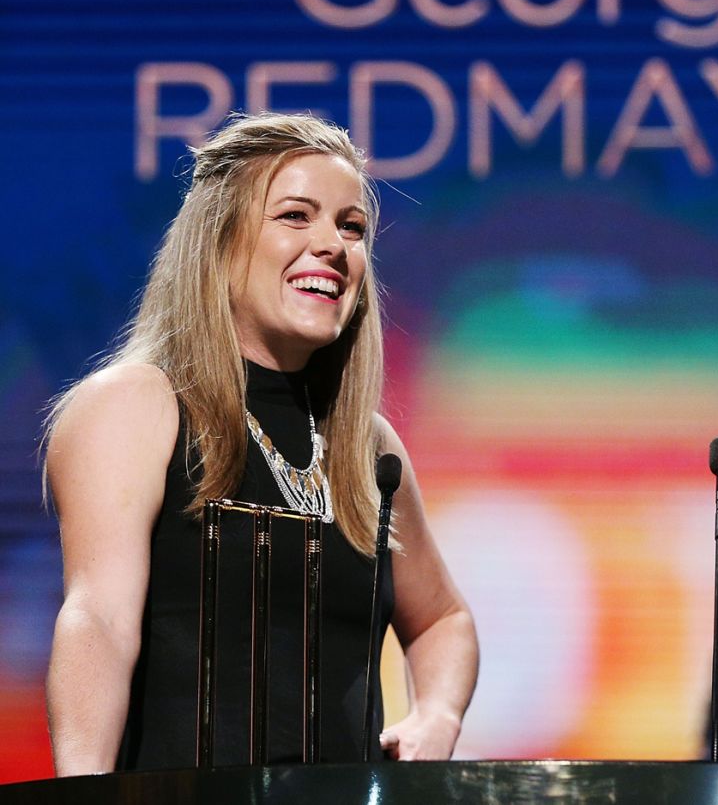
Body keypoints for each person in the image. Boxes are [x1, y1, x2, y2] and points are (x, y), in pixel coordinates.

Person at [44, 112, 479, 774]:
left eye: (352, 226)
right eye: (295, 216)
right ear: (220, 241)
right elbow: (99, 620)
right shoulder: (136, 405)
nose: (333, 244)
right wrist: (83, 791)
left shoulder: (365, 448)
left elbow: (444, 618)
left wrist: (437, 713)